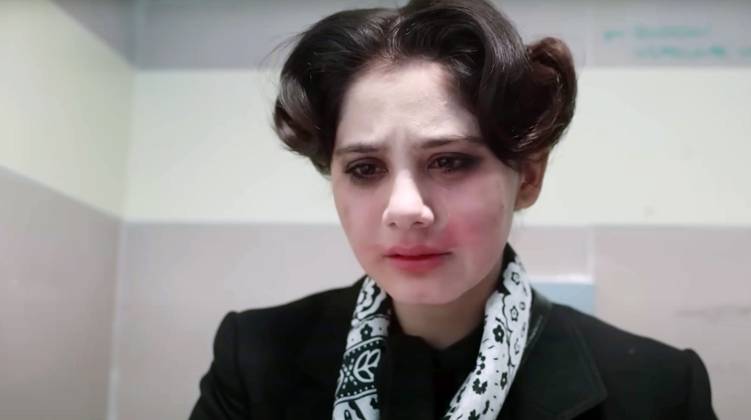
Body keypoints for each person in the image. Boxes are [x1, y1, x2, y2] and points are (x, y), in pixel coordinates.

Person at [190, 1, 718, 419]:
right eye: (365, 168)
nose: (404, 209)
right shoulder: (254, 359)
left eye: (449, 161)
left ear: (528, 176)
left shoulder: (658, 390)